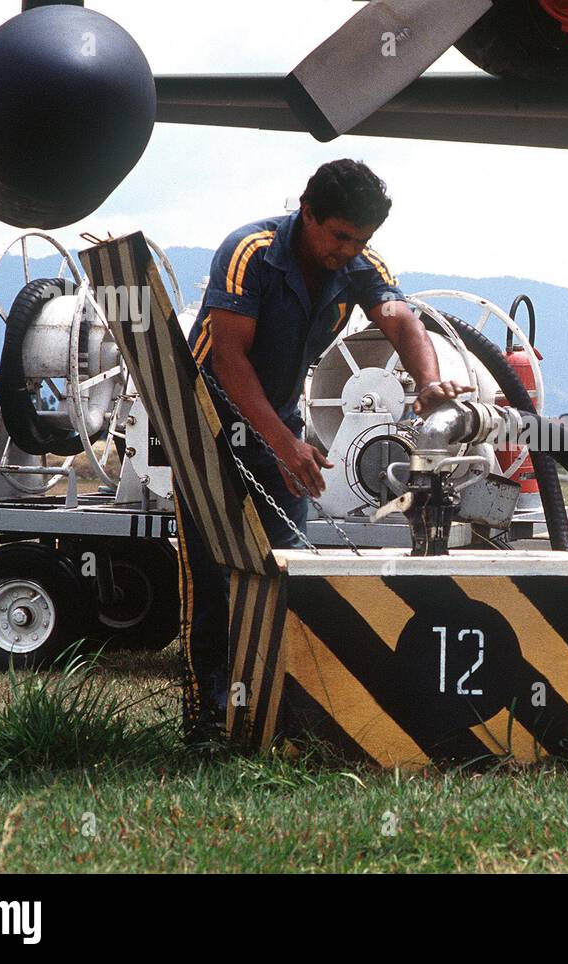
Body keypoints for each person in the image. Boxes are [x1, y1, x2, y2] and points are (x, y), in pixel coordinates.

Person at [177, 158, 468, 739]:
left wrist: (430, 382)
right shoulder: (249, 253)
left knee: (288, 561)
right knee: (214, 571)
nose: (348, 251)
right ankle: (209, 716)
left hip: (276, 418)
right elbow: (230, 363)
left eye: (361, 240)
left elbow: (401, 322)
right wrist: (286, 445)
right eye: (339, 236)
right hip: (204, 417)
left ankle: (283, 708)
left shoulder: (360, 260)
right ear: (307, 212)